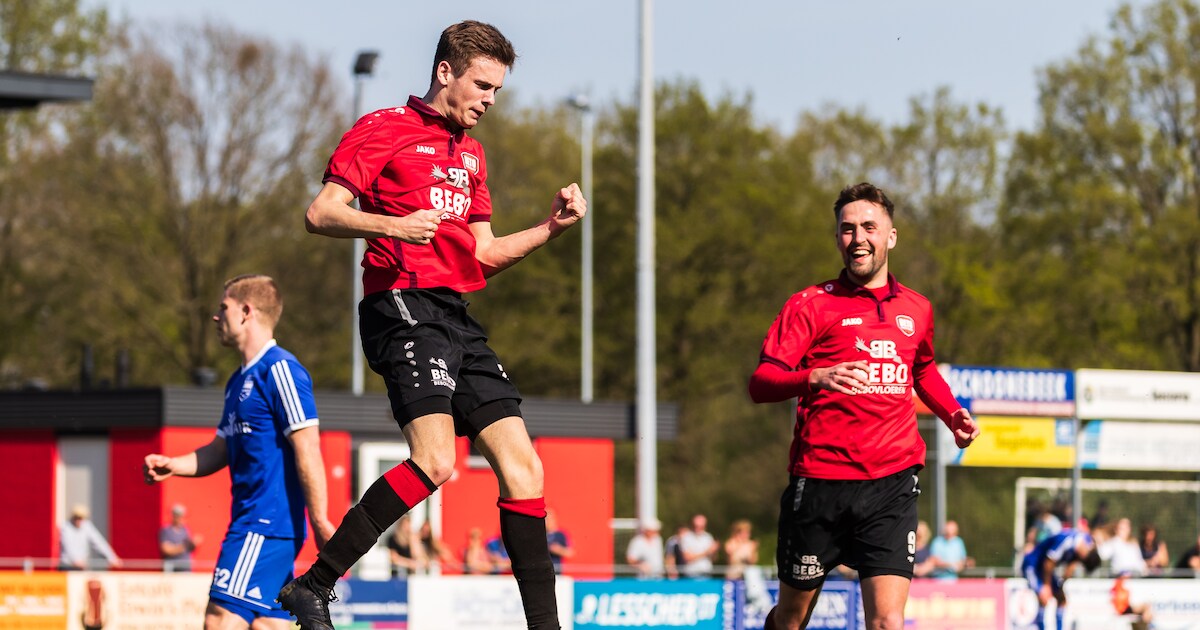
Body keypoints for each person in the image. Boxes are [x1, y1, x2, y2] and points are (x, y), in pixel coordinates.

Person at [276, 20, 586, 630]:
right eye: (482, 84)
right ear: (446, 71)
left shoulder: (471, 154)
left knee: (526, 469)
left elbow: (485, 255)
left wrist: (552, 228)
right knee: (437, 461)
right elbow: (322, 213)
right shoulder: (383, 128)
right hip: (399, 304)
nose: (490, 100)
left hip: (455, 315)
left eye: (497, 90)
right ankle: (314, 586)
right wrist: (392, 225)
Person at [747, 182, 980, 630]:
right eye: (848, 229)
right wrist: (812, 376)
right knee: (793, 618)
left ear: (890, 236)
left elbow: (923, 370)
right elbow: (761, 383)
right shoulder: (810, 305)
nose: (859, 238)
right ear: (837, 238)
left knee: (887, 621)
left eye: (869, 227)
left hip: (891, 484)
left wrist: (953, 414)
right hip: (819, 484)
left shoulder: (918, 308)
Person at [143, 274, 334, 630]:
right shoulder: (237, 380)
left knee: (220, 619)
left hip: (263, 524)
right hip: (254, 523)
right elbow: (220, 449)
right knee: (266, 623)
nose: (216, 317)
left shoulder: (280, 370)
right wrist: (174, 465)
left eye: (223, 308)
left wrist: (320, 519)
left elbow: (308, 445)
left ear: (246, 311)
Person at [1021, 528, 1100, 630]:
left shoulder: (1086, 545)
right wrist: (1046, 585)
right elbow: (1048, 563)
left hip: (1045, 569)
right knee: (1044, 597)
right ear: (1085, 553)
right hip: (1032, 565)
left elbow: (1071, 566)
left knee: (1062, 600)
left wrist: (1062, 583)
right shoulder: (1066, 541)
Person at [59, 505, 122, 571]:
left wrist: (112, 558)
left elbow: (99, 542)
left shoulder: (87, 526)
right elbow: (68, 545)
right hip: (66, 566)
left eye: (81, 518)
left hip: (80, 567)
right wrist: (75, 560)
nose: (78, 520)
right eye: (76, 517)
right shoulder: (65, 526)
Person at [160, 503, 202, 572]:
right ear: (173, 516)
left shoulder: (185, 530)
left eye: (183, 516)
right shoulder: (166, 530)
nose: (181, 518)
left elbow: (189, 548)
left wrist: (194, 543)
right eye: (178, 516)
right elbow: (166, 550)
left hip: (185, 567)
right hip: (172, 568)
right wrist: (182, 547)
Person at [679, 513, 719, 578]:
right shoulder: (686, 537)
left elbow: (713, 559)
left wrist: (714, 551)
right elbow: (687, 558)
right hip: (691, 574)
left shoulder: (708, 537)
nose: (698, 529)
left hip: (706, 573)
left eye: (701, 526)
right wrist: (707, 552)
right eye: (696, 526)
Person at [545, 508, 574, 574]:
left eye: (549, 519)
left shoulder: (561, 535)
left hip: (556, 570)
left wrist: (558, 550)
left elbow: (570, 553)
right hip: (542, 570)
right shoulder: (540, 535)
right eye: (545, 519)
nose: (547, 521)